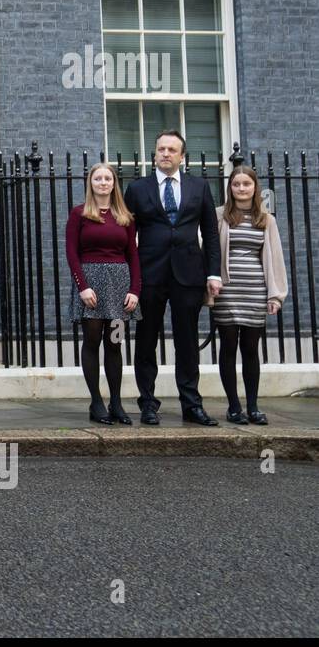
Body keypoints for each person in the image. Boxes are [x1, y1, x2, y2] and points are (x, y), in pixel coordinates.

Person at [123, 130, 222, 426]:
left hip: (189, 273)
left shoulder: (199, 186)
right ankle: (148, 404)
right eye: (161, 149)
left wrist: (214, 272)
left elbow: (212, 234)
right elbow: (128, 237)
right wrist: (129, 278)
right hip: (150, 273)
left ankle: (191, 405)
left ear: (182, 156)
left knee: (187, 342)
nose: (165, 154)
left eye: (172, 150)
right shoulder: (137, 189)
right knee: (146, 340)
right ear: (155, 154)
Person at [65, 162, 142, 425]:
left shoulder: (125, 217)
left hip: (119, 287)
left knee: (115, 344)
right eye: (98, 178)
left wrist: (135, 290)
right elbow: (72, 254)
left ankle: (117, 403)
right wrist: (82, 286)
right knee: (92, 341)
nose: (103, 182)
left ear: (113, 183)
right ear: (91, 183)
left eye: (107, 178)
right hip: (91, 286)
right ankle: (96, 402)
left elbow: (133, 255)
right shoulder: (79, 215)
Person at [212, 165, 287, 425]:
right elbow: (210, 252)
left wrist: (275, 296)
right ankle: (234, 407)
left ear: (255, 188)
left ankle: (253, 406)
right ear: (230, 188)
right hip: (226, 291)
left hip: (255, 290)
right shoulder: (220, 215)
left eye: (246, 184)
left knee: (251, 349)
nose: (241, 188)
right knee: (229, 347)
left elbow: (275, 258)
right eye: (236, 184)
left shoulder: (266, 219)